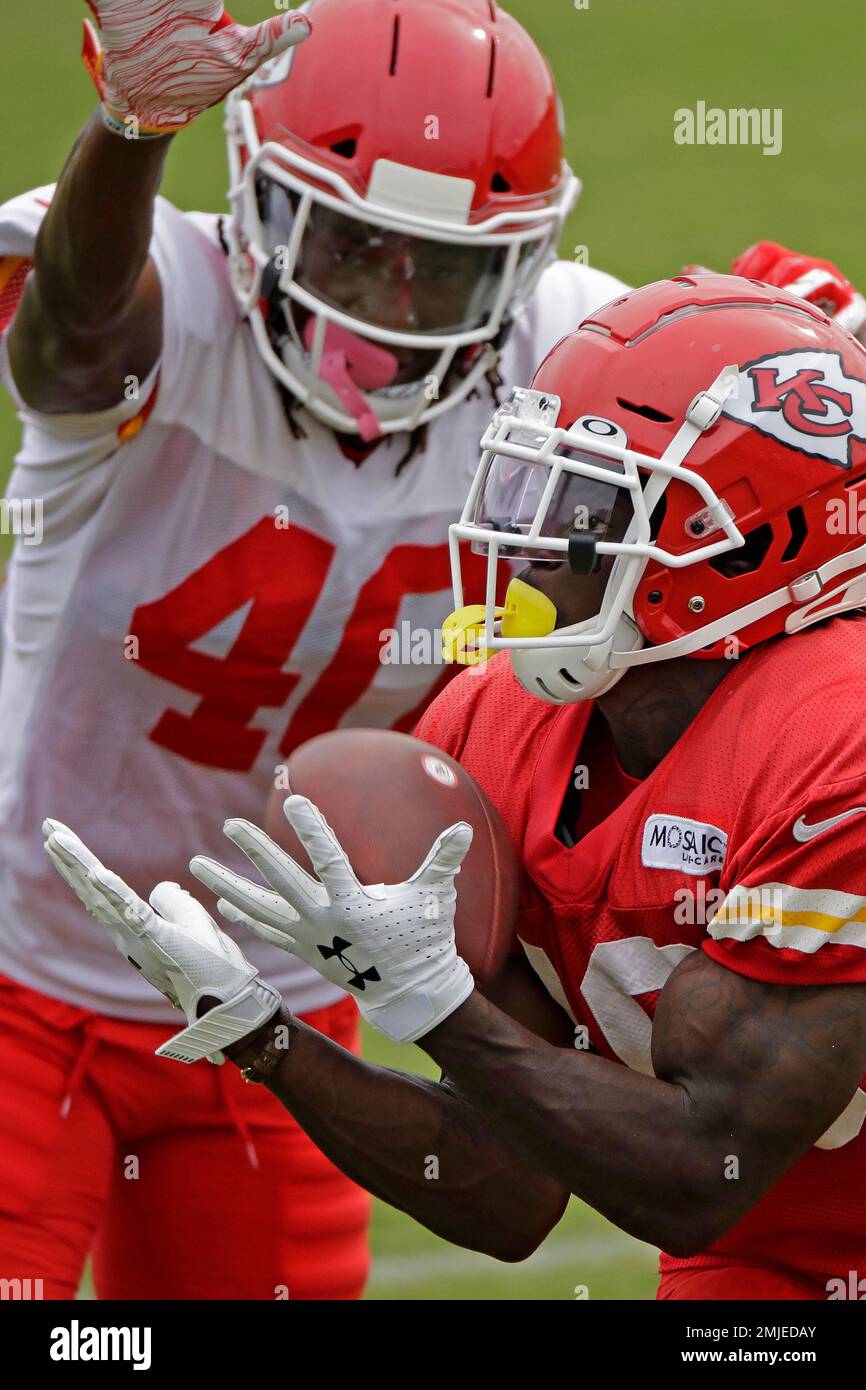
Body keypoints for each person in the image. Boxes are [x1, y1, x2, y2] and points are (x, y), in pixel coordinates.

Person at [47, 271, 866, 1302]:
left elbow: (703, 1171)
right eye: (527, 484)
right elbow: (505, 1188)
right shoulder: (491, 726)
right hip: (756, 1261)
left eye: (580, 502)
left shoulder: (834, 745)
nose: (522, 538)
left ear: (741, 540)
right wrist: (257, 1028)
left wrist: (430, 1000)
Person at [0, 0, 630, 1300]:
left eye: (440, 268)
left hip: (276, 994)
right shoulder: (156, 294)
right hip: (17, 971)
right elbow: (68, 336)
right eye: (350, 249)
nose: (389, 311)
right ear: (257, 208)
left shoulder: (564, 355)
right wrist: (129, 130)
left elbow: (764, 391)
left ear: (516, 264)